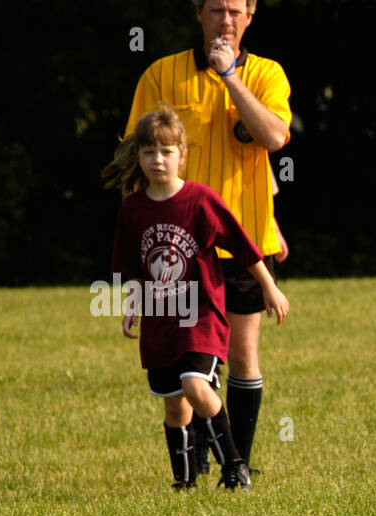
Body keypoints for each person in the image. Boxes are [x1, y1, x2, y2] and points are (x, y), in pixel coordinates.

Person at [125, 0, 292, 479]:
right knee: (184, 354)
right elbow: (136, 153)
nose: (226, 20)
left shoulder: (266, 74)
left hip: (245, 237)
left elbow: (275, 138)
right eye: (216, 9)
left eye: (236, 10)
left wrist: (230, 78)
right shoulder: (161, 74)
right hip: (180, 246)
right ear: (198, 13)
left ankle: (237, 462)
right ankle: (195, 460)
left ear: (250, 16)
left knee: (241, 353)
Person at [104, 106, 289, 491]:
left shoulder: (201, 200)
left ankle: (234, 466)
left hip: (200, 311)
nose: (158, 159)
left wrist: (269, 285)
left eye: (167, 151)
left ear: (183, 155)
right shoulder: (132, 208)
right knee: (174, 403)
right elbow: (133, 263)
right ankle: (184, 482)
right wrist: (133, 304)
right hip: (161, 316)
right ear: (138, 155)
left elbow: (242, 246)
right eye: (149, 151)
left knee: (194, 385)